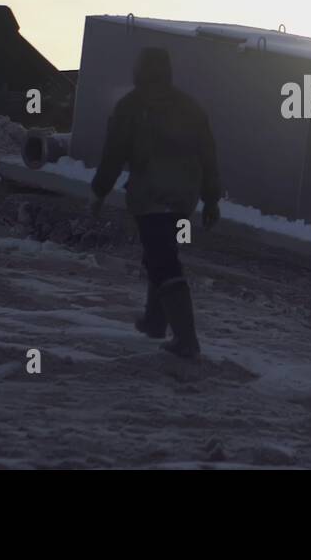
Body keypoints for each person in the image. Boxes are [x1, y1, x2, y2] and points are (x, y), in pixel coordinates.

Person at [91, 47, 221, 358]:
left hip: (150, 195)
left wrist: (99, 191)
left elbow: (113, 154)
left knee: (162, 259)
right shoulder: (189, 107)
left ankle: (186, 340)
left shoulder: (131, 106)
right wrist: (211, 198)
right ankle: (154, 321)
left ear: (139, 71)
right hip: (183, 197)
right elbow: (208, 154)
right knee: (162, 252)